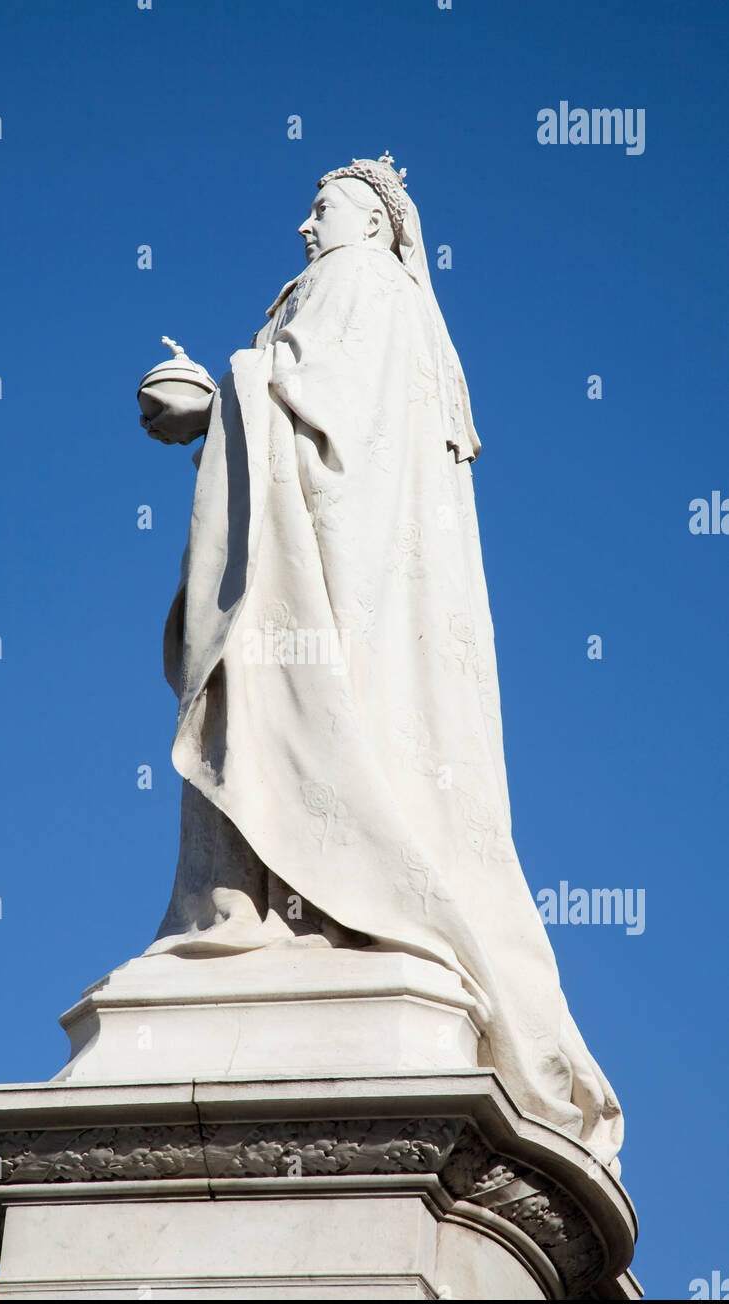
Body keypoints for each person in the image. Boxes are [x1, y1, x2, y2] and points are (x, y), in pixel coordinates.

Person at [140, 154, 623, 1167]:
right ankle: (314, 904)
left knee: (300, 729)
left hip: (313, 596)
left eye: (322, 207)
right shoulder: (411, 321)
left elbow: (307, 412)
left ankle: (299, 908)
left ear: (371, 217)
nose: (306, 226)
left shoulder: (354, 282)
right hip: (361, 592)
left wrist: (213, 400)